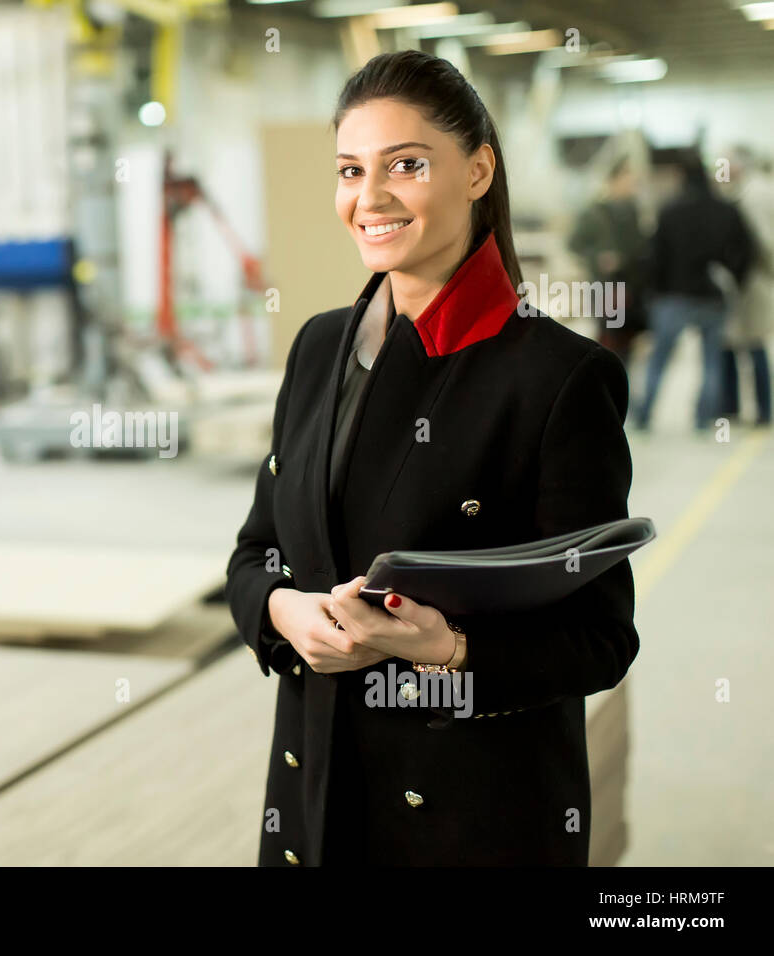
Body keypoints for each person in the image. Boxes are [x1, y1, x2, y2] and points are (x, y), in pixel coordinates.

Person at [225, 50, 638, 866]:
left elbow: (600, 639)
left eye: (405, 165)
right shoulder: (316, 350)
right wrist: (285, 614)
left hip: (471, 819)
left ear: (479, 170)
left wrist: (447, 652)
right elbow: (252, 557)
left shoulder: (557, 379)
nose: (368, 198)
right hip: (313, 804)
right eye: (350, 169)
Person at [635, 152, 754, 432]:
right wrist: (734, 280)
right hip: (713, 297)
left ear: (681, 177)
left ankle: (644, 416)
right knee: (711, 362)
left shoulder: (670, 211)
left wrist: (652, 292)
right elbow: (746, 251)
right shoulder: (726, 210)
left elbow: (655, 256)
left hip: (673, 296)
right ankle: (703, 420)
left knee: (659, 360)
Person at [567, 156, 650, 367]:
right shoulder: (594, 213)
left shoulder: (633, 212)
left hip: (631, 287)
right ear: (614, 179)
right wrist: (599, 258)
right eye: (627, 178)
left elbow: (641, 247)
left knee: (628, 343)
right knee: (609, 342)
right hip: (605, 287)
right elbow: (574, 244)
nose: (631, 184)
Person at [718, 146, 773, 427]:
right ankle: (732, 407)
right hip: (743, 280)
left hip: (754, 281)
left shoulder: (755, 195)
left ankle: (763, 410)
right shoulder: (742, 192)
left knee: (753, 344)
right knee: (733, 343)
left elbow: (765, 242)